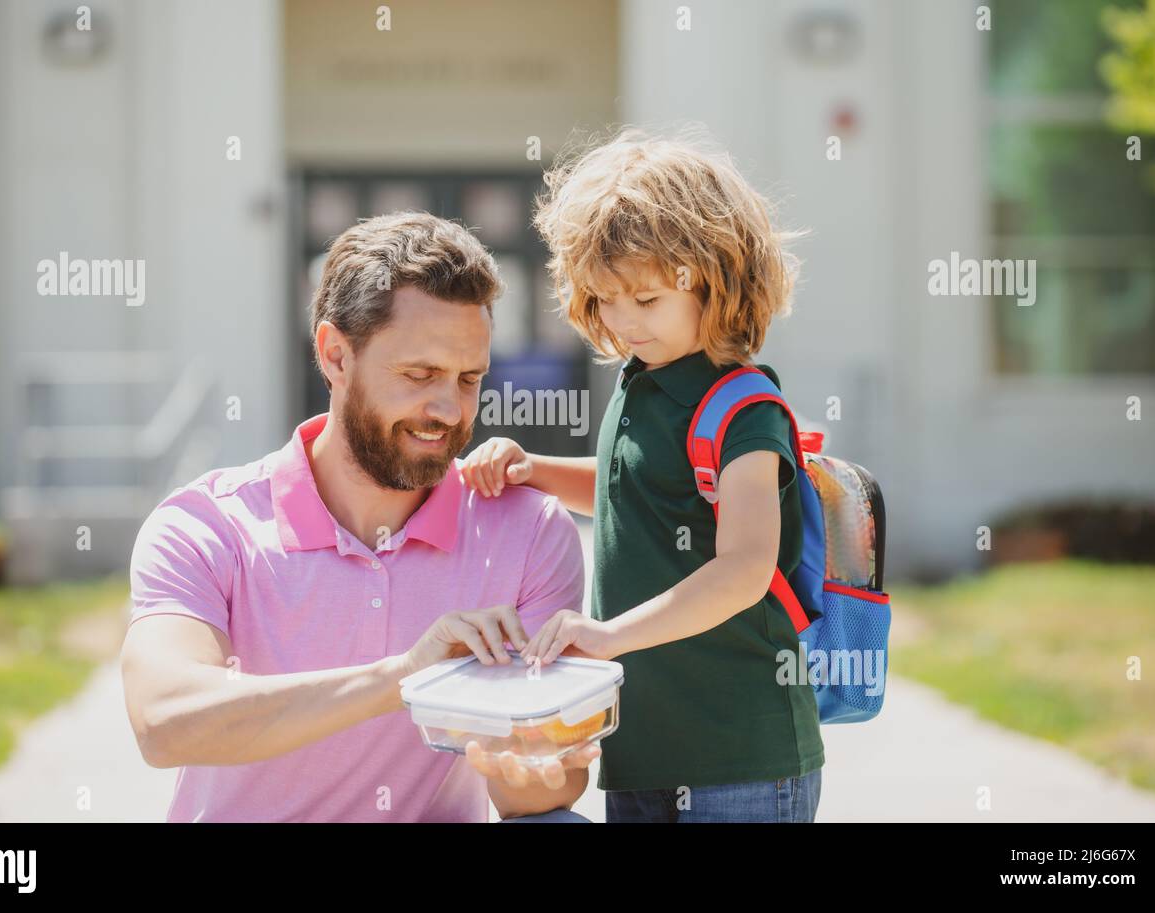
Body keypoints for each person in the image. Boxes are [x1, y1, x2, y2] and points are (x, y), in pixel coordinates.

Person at [121, 211, 595, 822]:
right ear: (335, 356)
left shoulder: (529, 531)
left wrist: (532, 764)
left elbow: (537, 791)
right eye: (419, 375)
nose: (449, 409)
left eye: (469, 379)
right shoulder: (207, 526)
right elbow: (164, 723)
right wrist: (404, 678)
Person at [461, 128, 824, 823]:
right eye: (604, 300)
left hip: (741, 759)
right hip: (643, 751)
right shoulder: (641, 380)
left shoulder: (748, 408)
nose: (623, 321)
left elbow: (746, 565)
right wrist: (532, 469)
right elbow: (630, 486)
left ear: (715, 279)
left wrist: (607, 635)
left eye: (647, 300)